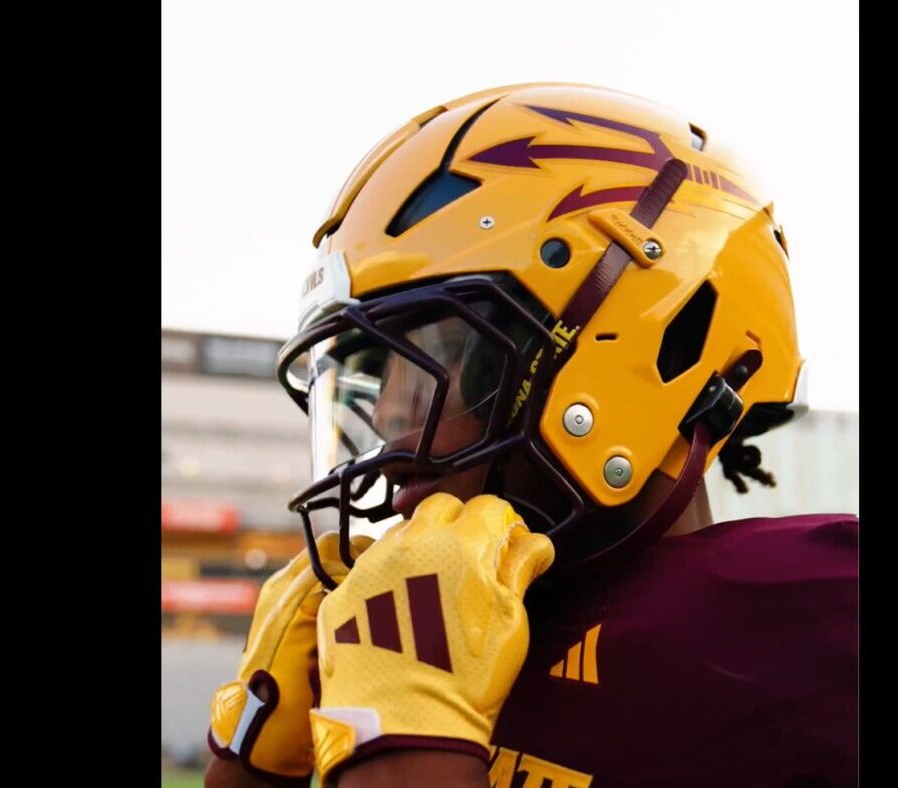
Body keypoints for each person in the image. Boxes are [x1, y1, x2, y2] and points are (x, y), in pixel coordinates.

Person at [205, 82, 858, 788]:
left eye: (439, 352)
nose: (389, 414)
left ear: (650, 343)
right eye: (373, 374)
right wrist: (251, 769)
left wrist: (397, 746)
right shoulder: (435, 622)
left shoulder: (814, 623)